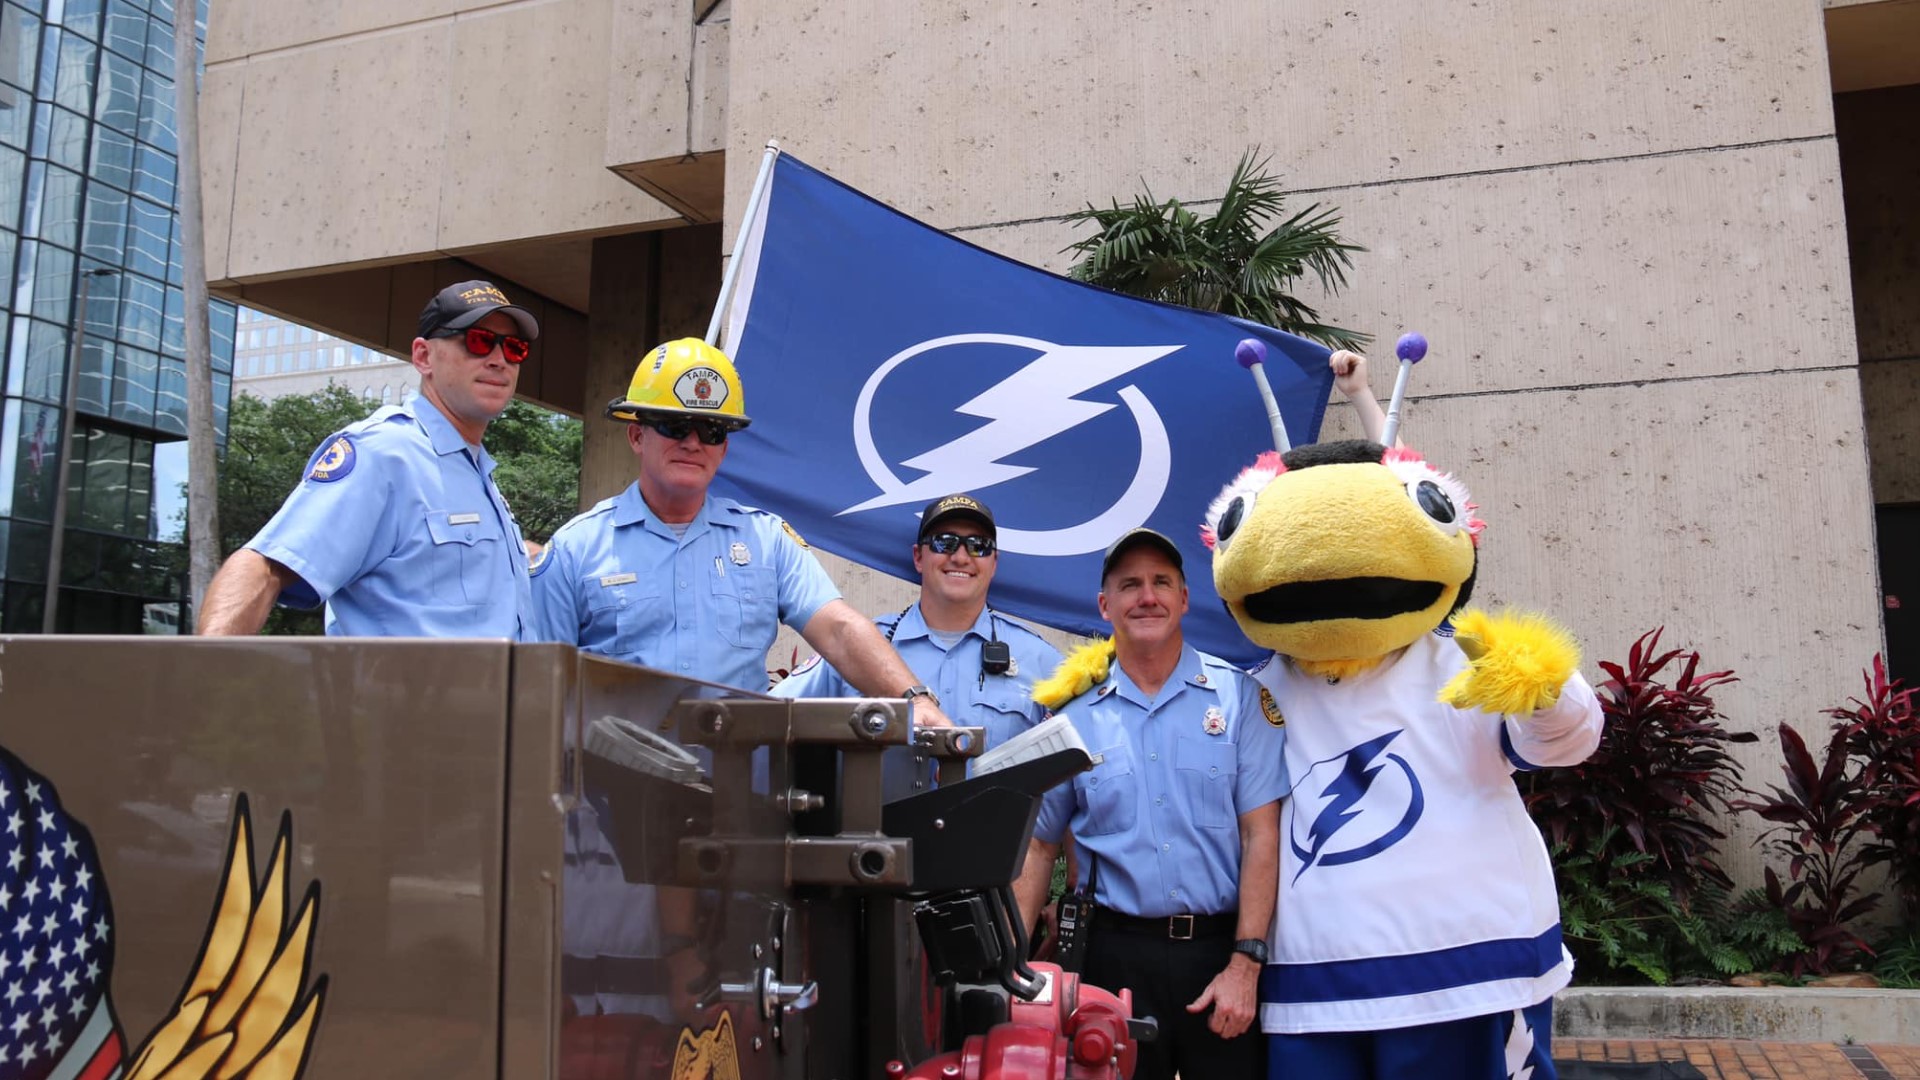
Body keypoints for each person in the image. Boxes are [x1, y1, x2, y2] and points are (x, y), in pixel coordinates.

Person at [530, 337, 951, 726]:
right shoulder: (576, 549)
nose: (693, 442)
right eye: (676, 426)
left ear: (724, 448)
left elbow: (839, 631)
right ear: (637, 435)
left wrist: (915, 700)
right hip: (614, 788)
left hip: (739, 784)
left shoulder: (766, 541)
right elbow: (538, 687)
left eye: (712, 430)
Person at [1012, 528, 1287, 1080]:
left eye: (1162, 582)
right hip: (1109, 958)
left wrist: (1246, 964)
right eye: (1130, 584)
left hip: (1217, 955)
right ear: (1104, 604)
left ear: (1184, 598)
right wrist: (1010, 969)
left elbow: (1263, 836)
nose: (1147, 596)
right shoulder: (1072, 718)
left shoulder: (1239, 701)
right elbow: (1041, 847)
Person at [199, 280, 539, 637]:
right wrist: (204, 678)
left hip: (496, 692)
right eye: (479, 341)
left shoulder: (477, 474)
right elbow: (263, 566)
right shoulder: (386, 452)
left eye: (514, 349)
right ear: (424, 357)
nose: (499, 360)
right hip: (400, 693)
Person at [771, 492, 1062, 798]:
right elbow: (771, 721)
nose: (961, 557)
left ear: (994, 563)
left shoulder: (1039, 661)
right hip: (876, 841)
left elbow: (1070, 780)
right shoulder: (862, 648)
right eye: (944, 542)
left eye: (979, 546)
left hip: (992, 840)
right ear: (918, 557)